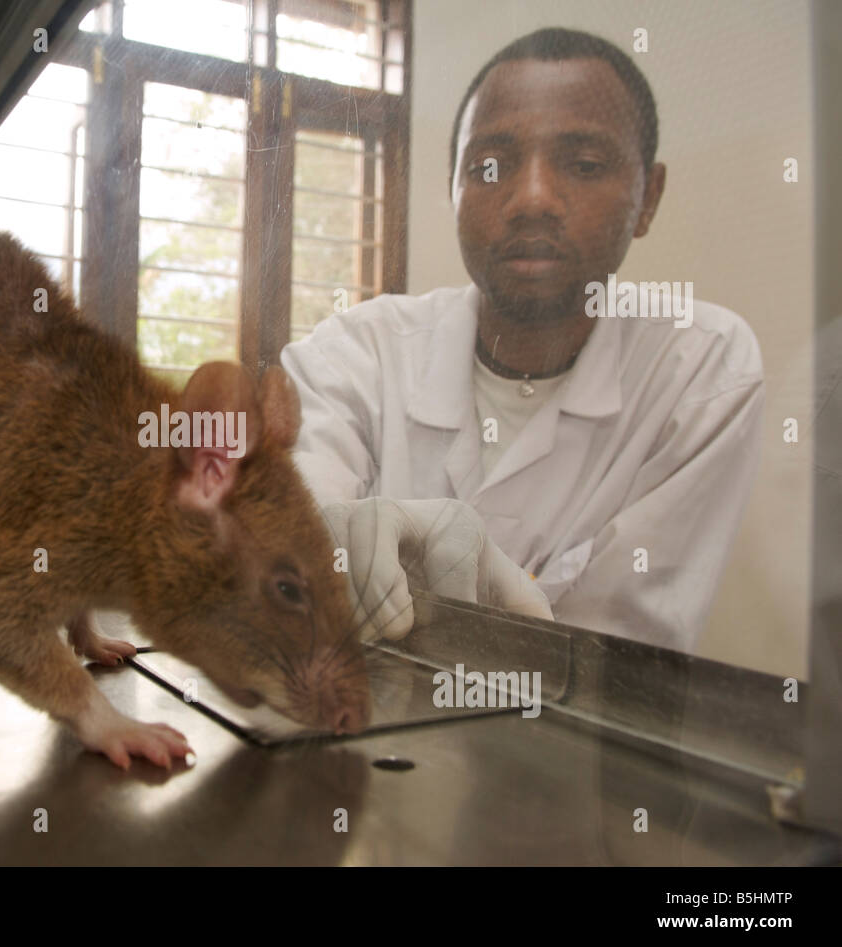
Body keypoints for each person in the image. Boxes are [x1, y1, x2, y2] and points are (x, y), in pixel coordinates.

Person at [280, 28, 764, 652]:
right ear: (451, 187)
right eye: (489, 166)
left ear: (649, 197)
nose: (532, 198)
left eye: (585, 164)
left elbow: (616, 664)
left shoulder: (702, 370)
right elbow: (288, 554)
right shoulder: (354, 352)